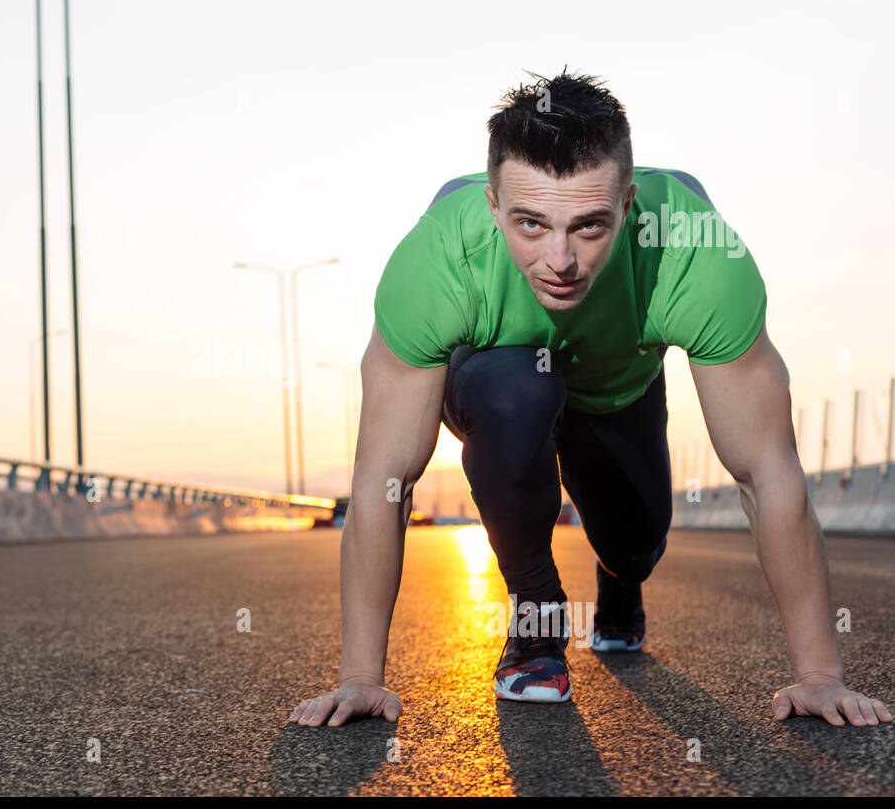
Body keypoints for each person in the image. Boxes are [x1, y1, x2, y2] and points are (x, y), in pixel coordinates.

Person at [289, 70, 891, 726]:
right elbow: (385, 478)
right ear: (492, 206)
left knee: (635, 540)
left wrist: (821, 677)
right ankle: (537, 619)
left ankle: (621, 579)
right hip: (503, 382)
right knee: (515, 393)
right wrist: (359, 678)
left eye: (589, 227)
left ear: (628, 206)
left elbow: (767, 472)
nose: (560, 259)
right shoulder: (436, 261)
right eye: (529, 224)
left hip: (616, 392)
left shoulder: (695, 255)